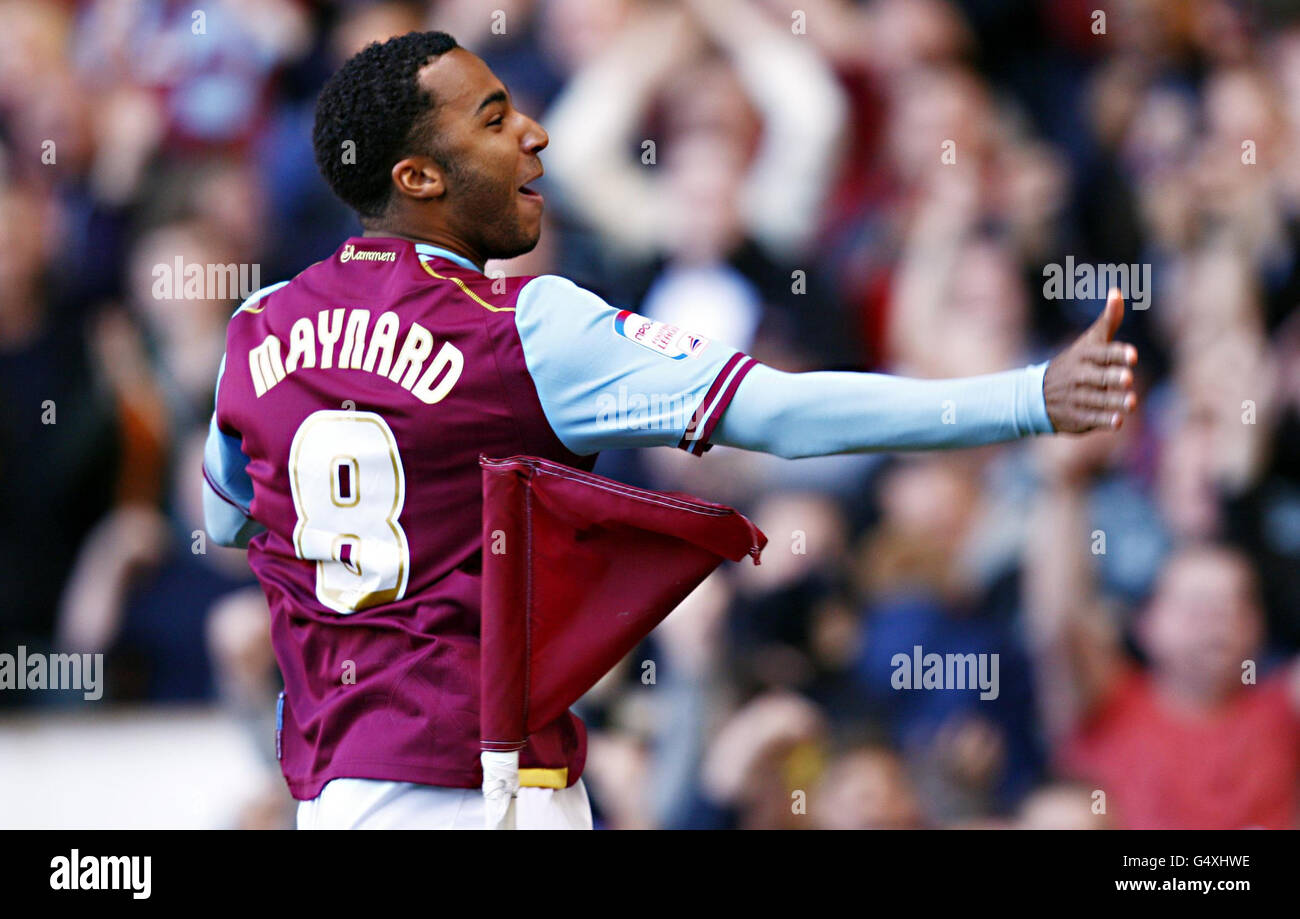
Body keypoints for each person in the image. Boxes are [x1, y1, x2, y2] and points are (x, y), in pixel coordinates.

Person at [201, 31, 1139, 830]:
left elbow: (229, 520)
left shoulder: (257, 327)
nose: (534, 134)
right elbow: (776, 412)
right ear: (416, 176)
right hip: (488, 796)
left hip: (337, 802)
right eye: (492, 121)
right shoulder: (524, 328)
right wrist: (1027, 398)